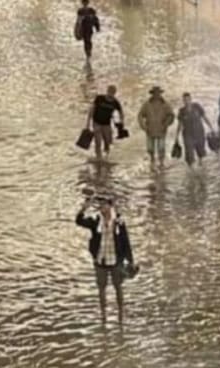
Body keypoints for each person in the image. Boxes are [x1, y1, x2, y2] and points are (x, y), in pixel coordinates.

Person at [75, 193, 135, 322]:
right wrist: (84, 208)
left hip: (115, 260)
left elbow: (126, 242)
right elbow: (79, 221)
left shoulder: (119, 222)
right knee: (101, 288)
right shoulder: (96, 221)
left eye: (104, 205)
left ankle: (121, 314)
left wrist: (130, 261)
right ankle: (103, 315)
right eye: (100, 205)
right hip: (100, 260)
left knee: (118, 287)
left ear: (110, 206)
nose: (101, 208)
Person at [138, 86, 175, 167]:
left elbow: (171, 115)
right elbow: (140, 115)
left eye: (158, 93)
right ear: (152, 94)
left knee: (161, 148)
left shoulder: (166, 104)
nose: (157, 95)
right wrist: (143, 126)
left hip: (161, 130)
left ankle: (161, 163)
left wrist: (166, 124)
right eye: (155, 93)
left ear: (160, 93)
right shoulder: (147, 104)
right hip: (150, 129)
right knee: (150, 148)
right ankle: (152, 161)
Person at [86, 85, 124, 160]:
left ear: (114, 93)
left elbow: (121, 112)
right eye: (110, 92)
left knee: (108, 142)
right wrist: (88, 122)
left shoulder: (115, 102)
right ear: (107, 91)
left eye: (113, 93)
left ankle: (106, 156)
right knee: (98, 141)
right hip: (96, 122)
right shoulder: (100, 98)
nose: (111, 94)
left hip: (107, 124)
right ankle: (99, 158)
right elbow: (92, 109)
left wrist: (121, 122)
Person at [176, 92, 213, 167]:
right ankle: (191, 171)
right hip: (187, 135)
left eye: (188, 99)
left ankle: (201, 166)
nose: (186, 102)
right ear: (183, 101)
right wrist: (176, 136)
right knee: (189, 153)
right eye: (185, 100)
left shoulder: (197, 107)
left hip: (199, 133)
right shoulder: (182, 111)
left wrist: (211, 128)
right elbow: (180, 124)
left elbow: (204, 117)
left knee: (201, 152)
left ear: (190, 99)